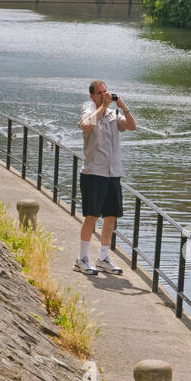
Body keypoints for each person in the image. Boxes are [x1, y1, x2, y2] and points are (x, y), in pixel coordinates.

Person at [76, 80, 136, 276]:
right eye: (100, 93)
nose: (104, 95)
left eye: (106, 92)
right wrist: (103, 106)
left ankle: (103, 258)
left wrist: (123, 106)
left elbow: (132, 126)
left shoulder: (113, 114)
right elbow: (85, 126)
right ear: (92, 96)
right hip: (94, 172)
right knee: (91, 216)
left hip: (113, 173)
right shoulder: (89, 111)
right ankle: (82, 259)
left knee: (111, 217)